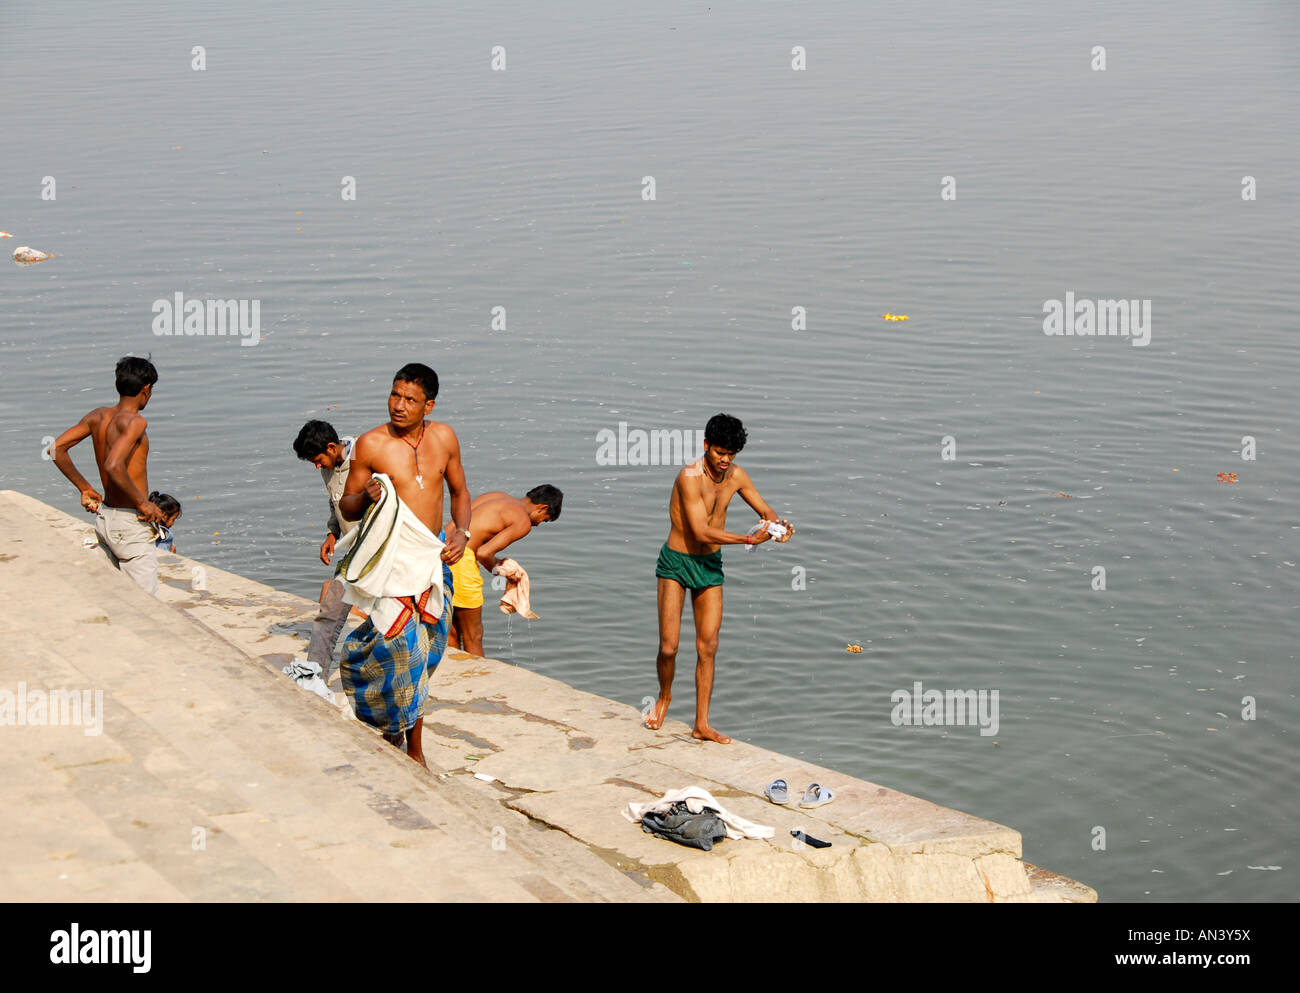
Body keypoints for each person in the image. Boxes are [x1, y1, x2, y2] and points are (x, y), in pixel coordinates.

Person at [335, 363, 471, 767]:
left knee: (428, 655)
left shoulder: (444, 437)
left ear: (428, 405)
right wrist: (366, 497)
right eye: (395, 395)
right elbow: (348, 503)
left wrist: (462, 532)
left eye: (410, 399)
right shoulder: (372, 444)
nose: (399, 405)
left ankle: (394, 722)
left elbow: (461, 491)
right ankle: (414, 750)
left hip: (433, 560)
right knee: (406, 653)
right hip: (394, 566)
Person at [645, 413, 793, 744]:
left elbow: (766, 512)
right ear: (706, 446)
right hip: (676, 562)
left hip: (710, 565)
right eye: (719, 453)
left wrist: (778, 528)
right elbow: (700, 530)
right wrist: (749, 539)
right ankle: (665, 696)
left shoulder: (736, 476)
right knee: (669, 647)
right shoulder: (689, 477)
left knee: (708, 646)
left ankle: (701, 723)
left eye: (731, 454)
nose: (725, 460)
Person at [51, 356, 166, 595]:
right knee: (147, 607)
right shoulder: (135, 422)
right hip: (130, 525)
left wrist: (84, 487)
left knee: (119, 599)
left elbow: (55, 449)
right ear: (146, 390)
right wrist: (143, 503)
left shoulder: (98, 416)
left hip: (106, 519)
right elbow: (114, 465)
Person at [445, 485, 563, 657]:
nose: (538, 524)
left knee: (452, 628)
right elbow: (483, 553)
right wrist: (504, 572)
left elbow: (454, 527)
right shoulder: (522, 521)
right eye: (544, 519)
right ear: (542, 508)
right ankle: (480, 681)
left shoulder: (495, 495)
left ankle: (455, 675)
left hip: (442, 551)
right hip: (461, 560)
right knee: (474, 634)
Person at [292, 420, 358, 679]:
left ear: (332, 447)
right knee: (328, 615)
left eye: (318, 460)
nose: (317, 466)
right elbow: (335, 504)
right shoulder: (327, 469)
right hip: (354, 554)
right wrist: (332, 533)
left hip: (383, 553)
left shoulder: (367, 457)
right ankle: (314, 677)